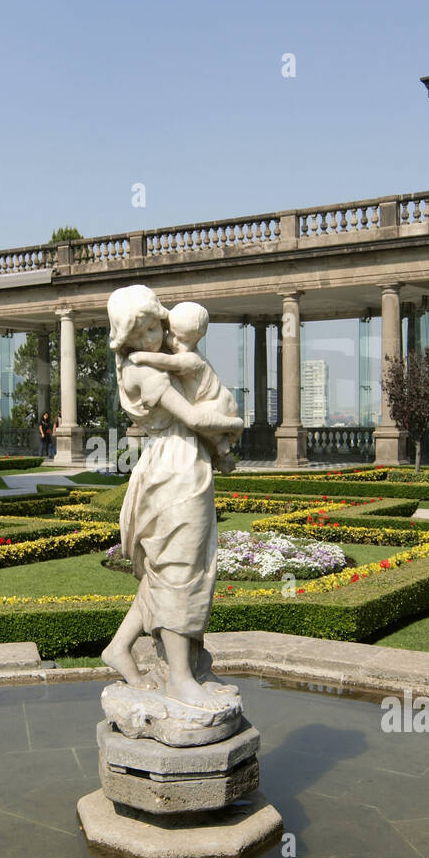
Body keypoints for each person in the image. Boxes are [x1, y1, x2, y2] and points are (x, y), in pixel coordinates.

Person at [99, 285, 243, 712]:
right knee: (179, 569)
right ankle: (180, 678)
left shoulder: (161, 359)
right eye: (139, 334)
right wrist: (236, 423)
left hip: (185, 463)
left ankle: (131, 650)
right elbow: (196, 418)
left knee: (177, 567)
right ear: (125, 339)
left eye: (152, 327)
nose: (149, 340)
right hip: (174, 468)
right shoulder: (143, 371)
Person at [128, 301, 242, 473]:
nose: (173, 342)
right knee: (208, 434)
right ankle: (222, 450)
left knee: (198, 423)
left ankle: (234, 428)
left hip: (216, 403)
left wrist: (141, 356)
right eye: (171, 334)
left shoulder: (192, 359)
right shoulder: (183, 349)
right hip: (208, 402)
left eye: (181, 340)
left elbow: (169, 361)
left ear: (197, 339)